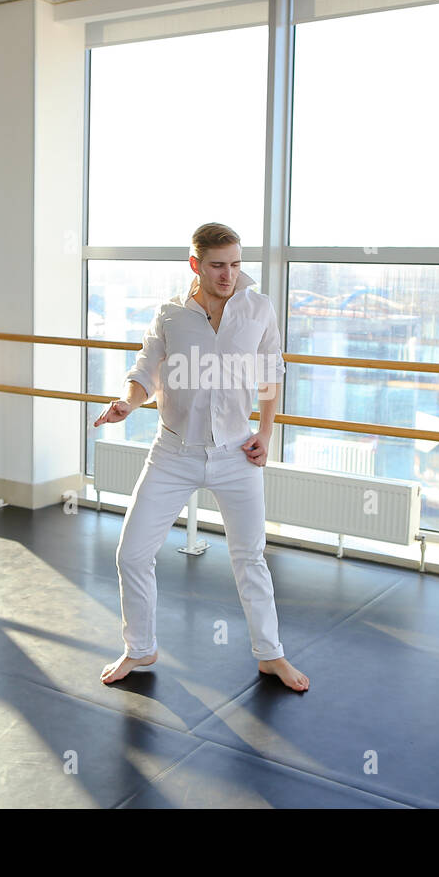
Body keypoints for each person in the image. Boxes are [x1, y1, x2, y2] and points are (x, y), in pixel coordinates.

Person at [93, 222, 310, 692]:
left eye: (235, 264)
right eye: (217, 265)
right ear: (195, 264)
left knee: (250, 557)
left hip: (237, 454)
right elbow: (145, 370)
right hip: (173, 451)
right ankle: (141, 647)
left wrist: (267, 433)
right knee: (131, 553)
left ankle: (271, 656)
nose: (228, 274)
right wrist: (128, 402)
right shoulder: (170, 314)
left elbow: (272, 372)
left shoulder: (258, 309)